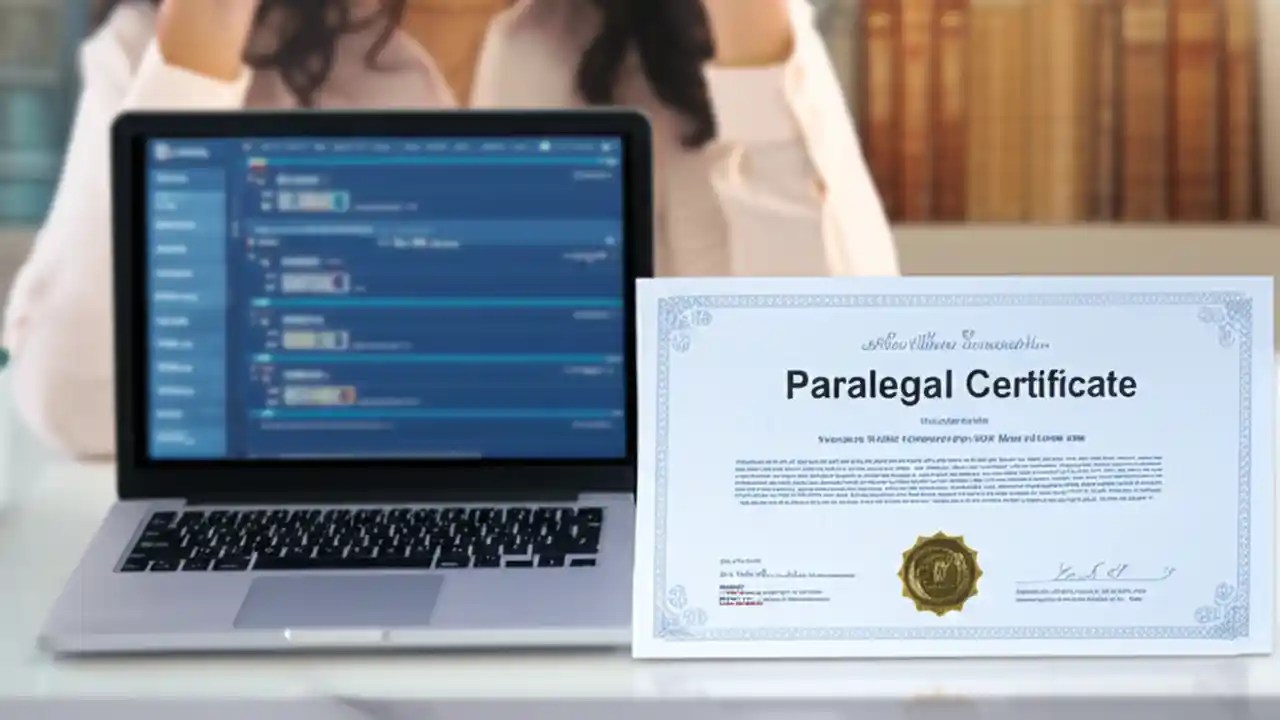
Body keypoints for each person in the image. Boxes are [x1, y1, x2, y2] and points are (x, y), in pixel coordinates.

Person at [2, 0, 899, 459]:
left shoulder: (716, 48)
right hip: (293, 606)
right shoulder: (182, 47)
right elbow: (81, 408)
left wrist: (751, 36)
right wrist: (197, 50)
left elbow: (836, 395)